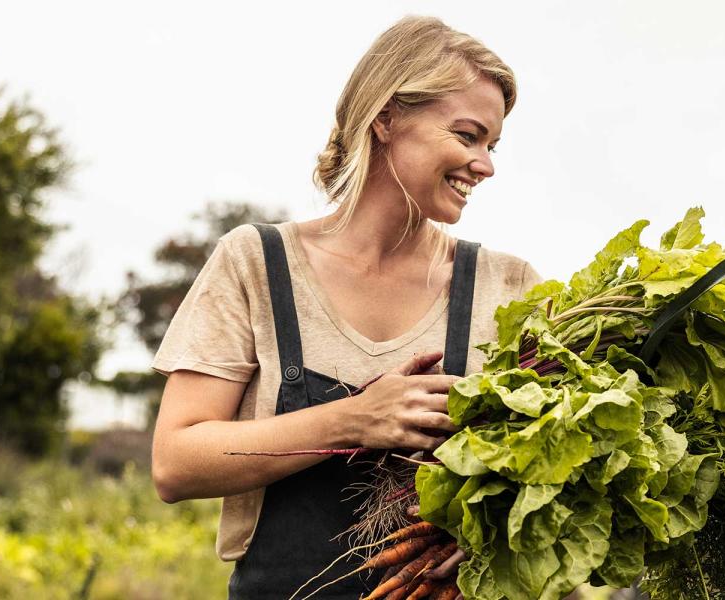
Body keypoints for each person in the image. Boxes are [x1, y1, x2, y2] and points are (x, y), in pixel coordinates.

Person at [149, 16, 543, 599]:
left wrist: (499, 518)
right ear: (386, 118)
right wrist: (354, 420)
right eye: (467, 136)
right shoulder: (258, 264)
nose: (485, 165)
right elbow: (175, 464)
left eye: (492, 145)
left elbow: (547, 472)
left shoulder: (508, 287)